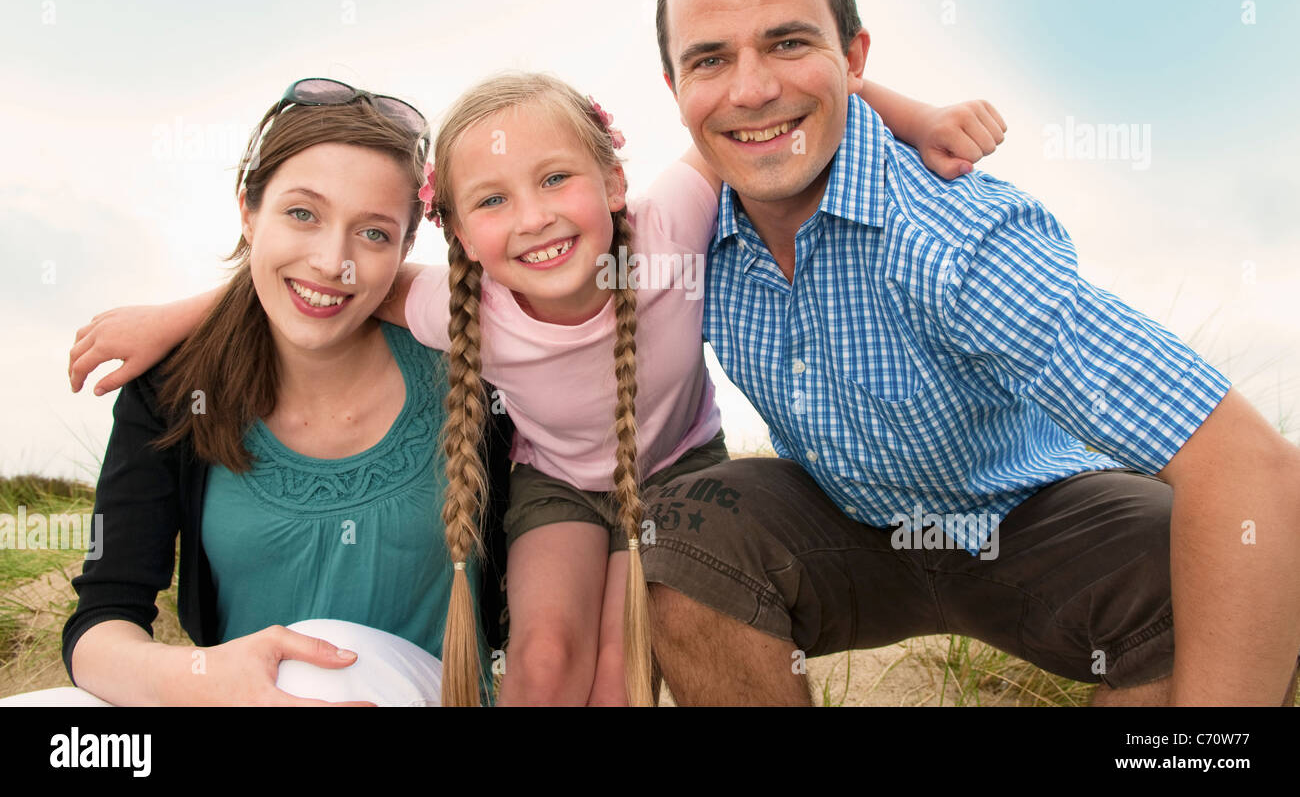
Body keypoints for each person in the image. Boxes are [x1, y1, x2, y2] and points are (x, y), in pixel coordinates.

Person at [67, 71, 1004, 706]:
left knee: (611, 670)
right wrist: (181, 318)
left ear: (612, 181)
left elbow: (759, 107)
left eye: (558, 177)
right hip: (540, 496)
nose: (536, 217)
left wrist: (915, 117)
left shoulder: (645, 237)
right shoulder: (440, 312)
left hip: (674, 470)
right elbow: (320, 283)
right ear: (460, 235)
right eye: (491, 200)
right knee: (547, 662)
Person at [639, 0, 1300, 706]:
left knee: (1203, 569)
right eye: (710, 60)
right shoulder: (689, 237)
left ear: (855, 56)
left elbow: (1249, 463)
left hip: (1031, 518)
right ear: (673, 85)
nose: (749, 88)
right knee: (673, 533)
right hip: (847, 530)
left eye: (787, 41)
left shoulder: (959, 241)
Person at [53, 79, 513, 706]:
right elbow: (100, 625)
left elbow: (530, 295)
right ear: (248, 211)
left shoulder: (474, 370)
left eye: (374, 233)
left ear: (406, 251)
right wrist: (205, 678)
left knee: (319, 655)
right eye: (302, 214)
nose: (331, 260)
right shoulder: (175, 389)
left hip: (423, 692)